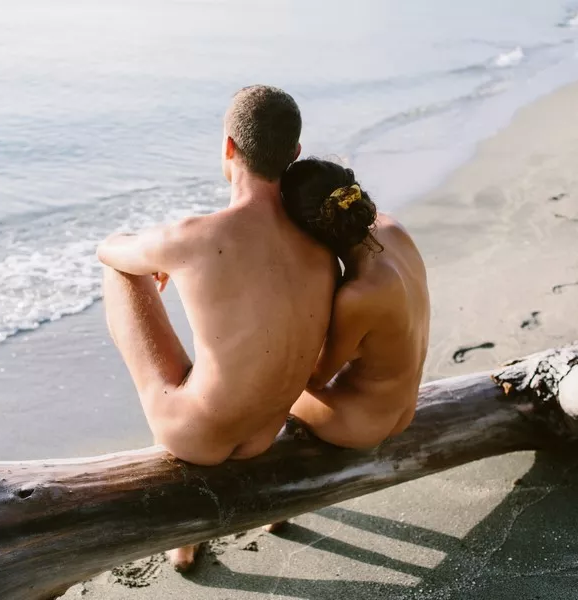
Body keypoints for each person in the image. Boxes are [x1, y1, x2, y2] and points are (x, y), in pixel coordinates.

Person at [96, 86, 337, 571]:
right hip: (266, 432)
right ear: (293, 155)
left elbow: (110, 247)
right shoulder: (321, 247)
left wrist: (158, 257)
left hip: (196, 435)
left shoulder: (195, 236)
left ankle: (185, 536)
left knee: (119, 269)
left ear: (228, 147)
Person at [279, 157, 430, 451]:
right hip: (402, 407)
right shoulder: (392, 227)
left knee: (257, 394)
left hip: (360, 423)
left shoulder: (358, 297)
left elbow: (316, 378)